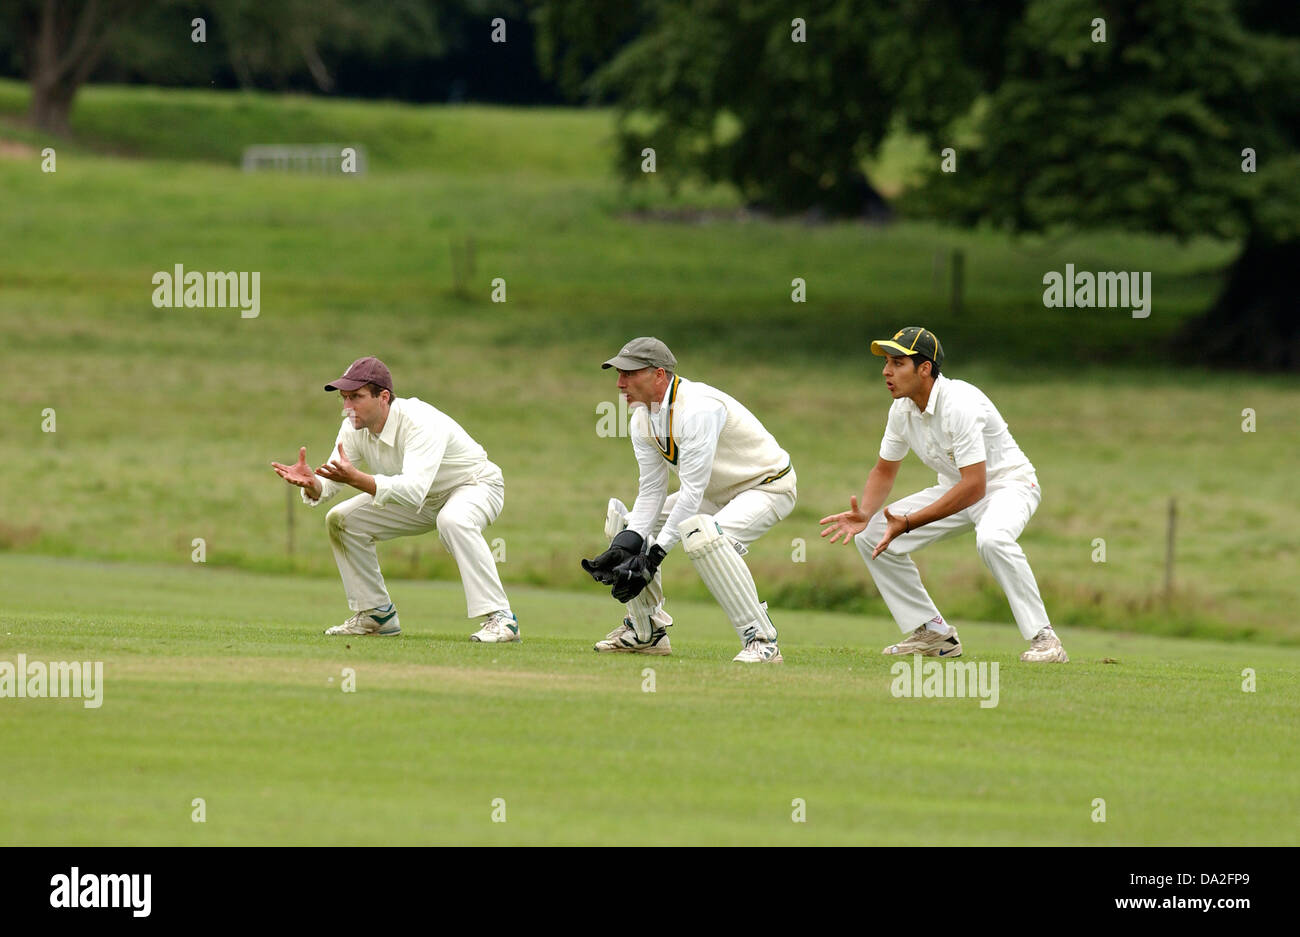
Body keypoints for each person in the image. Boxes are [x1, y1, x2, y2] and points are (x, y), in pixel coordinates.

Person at [819, 327, 1068, 663]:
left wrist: (907, 523)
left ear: (925, 369)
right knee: (872, 535)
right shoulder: (902, 410)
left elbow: (976, 485)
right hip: (959, 488)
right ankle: (933, 633)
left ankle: (1046, 640)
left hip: (1009, 486)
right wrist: (865, 513)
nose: (886, 372)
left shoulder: (960, 404)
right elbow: (884, 470)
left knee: (992, 540)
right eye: (886, 363)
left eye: (897, 363)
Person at [270, 356, 519, 643]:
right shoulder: (353, 426)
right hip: (423, 498)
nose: (347, 407)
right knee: (341, 520)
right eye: (344, 398)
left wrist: (355, 479)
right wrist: (313, 483)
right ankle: (376, 614)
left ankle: (502, 619)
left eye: (356, 397)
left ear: (383, 397)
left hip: (475, 485)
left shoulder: (420, 421)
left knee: (453, 520)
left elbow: (412, 490)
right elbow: (332, 480)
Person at [581, 338, 796, 662]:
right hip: (714, 492)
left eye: (629, 373)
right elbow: (653, 490)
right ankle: (646, 632)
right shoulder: (641, 418)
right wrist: (627, 544)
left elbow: (692, 491)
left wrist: (652, 558)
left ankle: (762, 641)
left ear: (658, 375)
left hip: (766, 486)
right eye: (618, 373)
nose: (620, 383)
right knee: (626, 527)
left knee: (704, 536)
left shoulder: (698, 409)